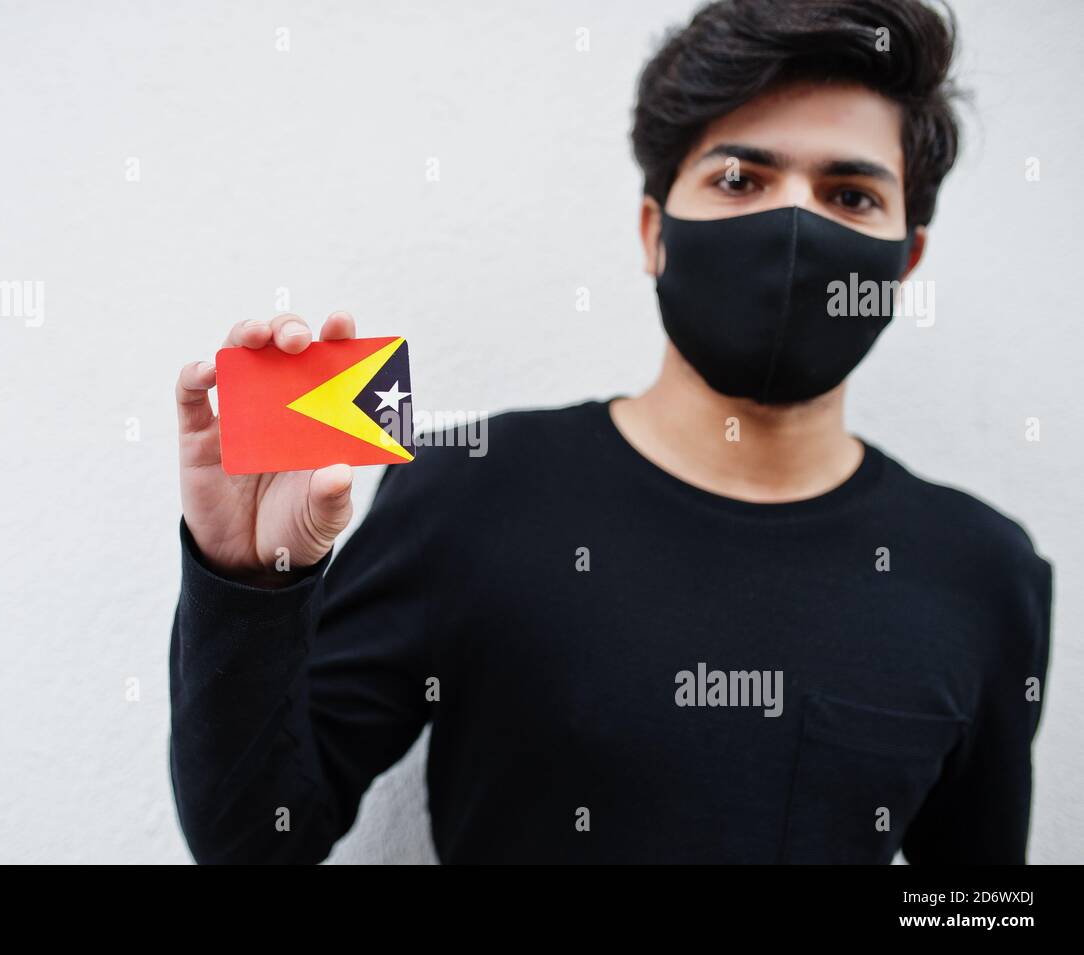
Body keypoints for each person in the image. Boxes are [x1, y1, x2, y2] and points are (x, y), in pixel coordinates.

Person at [168, 0, 1052, 863]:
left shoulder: (983, 571)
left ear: (908, 258)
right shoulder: (470, 490)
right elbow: (256, 838)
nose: (793, 229)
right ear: (654, 232)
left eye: (850, 193)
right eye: (740, 179)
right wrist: (246, 581)